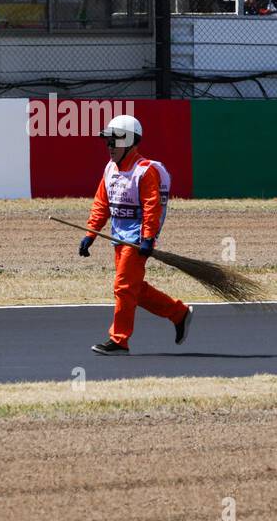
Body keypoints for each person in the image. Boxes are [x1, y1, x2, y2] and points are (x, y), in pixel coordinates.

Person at [80, 115, 193, 354]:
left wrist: (148, 238)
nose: (109, 147)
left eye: (114, 142)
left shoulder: (145, 171)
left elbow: (153, 206)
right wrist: (90, 235)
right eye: (107, 142)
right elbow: (102, 204)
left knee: (122, 286)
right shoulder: (110, 169)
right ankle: (179, 313)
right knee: (135, 289)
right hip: (118, 238)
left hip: (137, 239)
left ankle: (119, 340)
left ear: (129, 141)